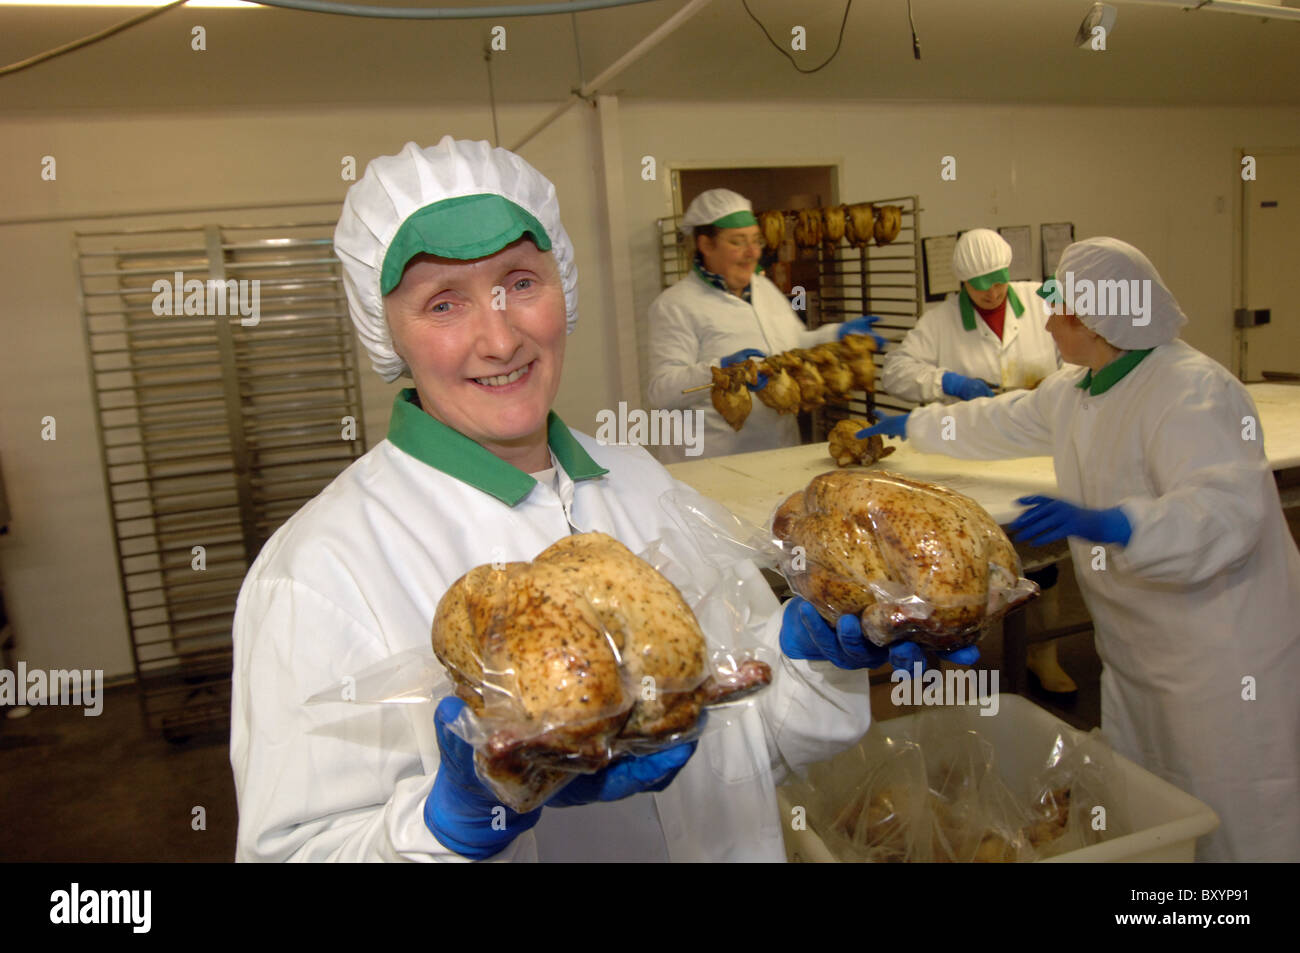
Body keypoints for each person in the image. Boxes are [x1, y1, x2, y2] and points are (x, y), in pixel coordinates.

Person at [228, 138, 917, 863]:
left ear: (564, 285)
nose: (499, 337)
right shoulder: (318, 570)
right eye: (443, 302)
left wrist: (811, 657)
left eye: (520, 282)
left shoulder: (643, 483)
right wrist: (446, 827)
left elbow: (756, 748)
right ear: (386, 330)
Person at [860, 237, 1300, 862]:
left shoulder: (1191, 390)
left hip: (1220, 658)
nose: (1045, 321)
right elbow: (1002, 419)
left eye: (1058, 310)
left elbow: (1227, 514)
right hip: (1138, 648)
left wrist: (1123, 525)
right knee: (1155, 802)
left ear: (1098, 323)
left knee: (1234, 808)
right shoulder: (1083, 388)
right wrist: (916, 426)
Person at [882, 228, 1075, 692]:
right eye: (982, 283)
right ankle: (952, 663)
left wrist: (1058, 389)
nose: (993, 290)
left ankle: (1042, 652)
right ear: (962, 283)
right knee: (959, 560)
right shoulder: (940, 322)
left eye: (1000, 279)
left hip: (1032, 451)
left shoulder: (1040, 299)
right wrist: (947, 381)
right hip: (966, 457)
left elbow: (1079, 352)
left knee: (1041, 557)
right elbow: (896, 371)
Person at [646, 188, 882, 463]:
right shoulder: (675, 305)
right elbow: (660, 392)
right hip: (713, 461)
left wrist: (836, 334)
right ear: (706, 245)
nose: (752, 252)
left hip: (779, 450)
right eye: (737, 242)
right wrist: (719, 369)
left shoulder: (764, 288)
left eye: (756, 241)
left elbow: (793, 345)